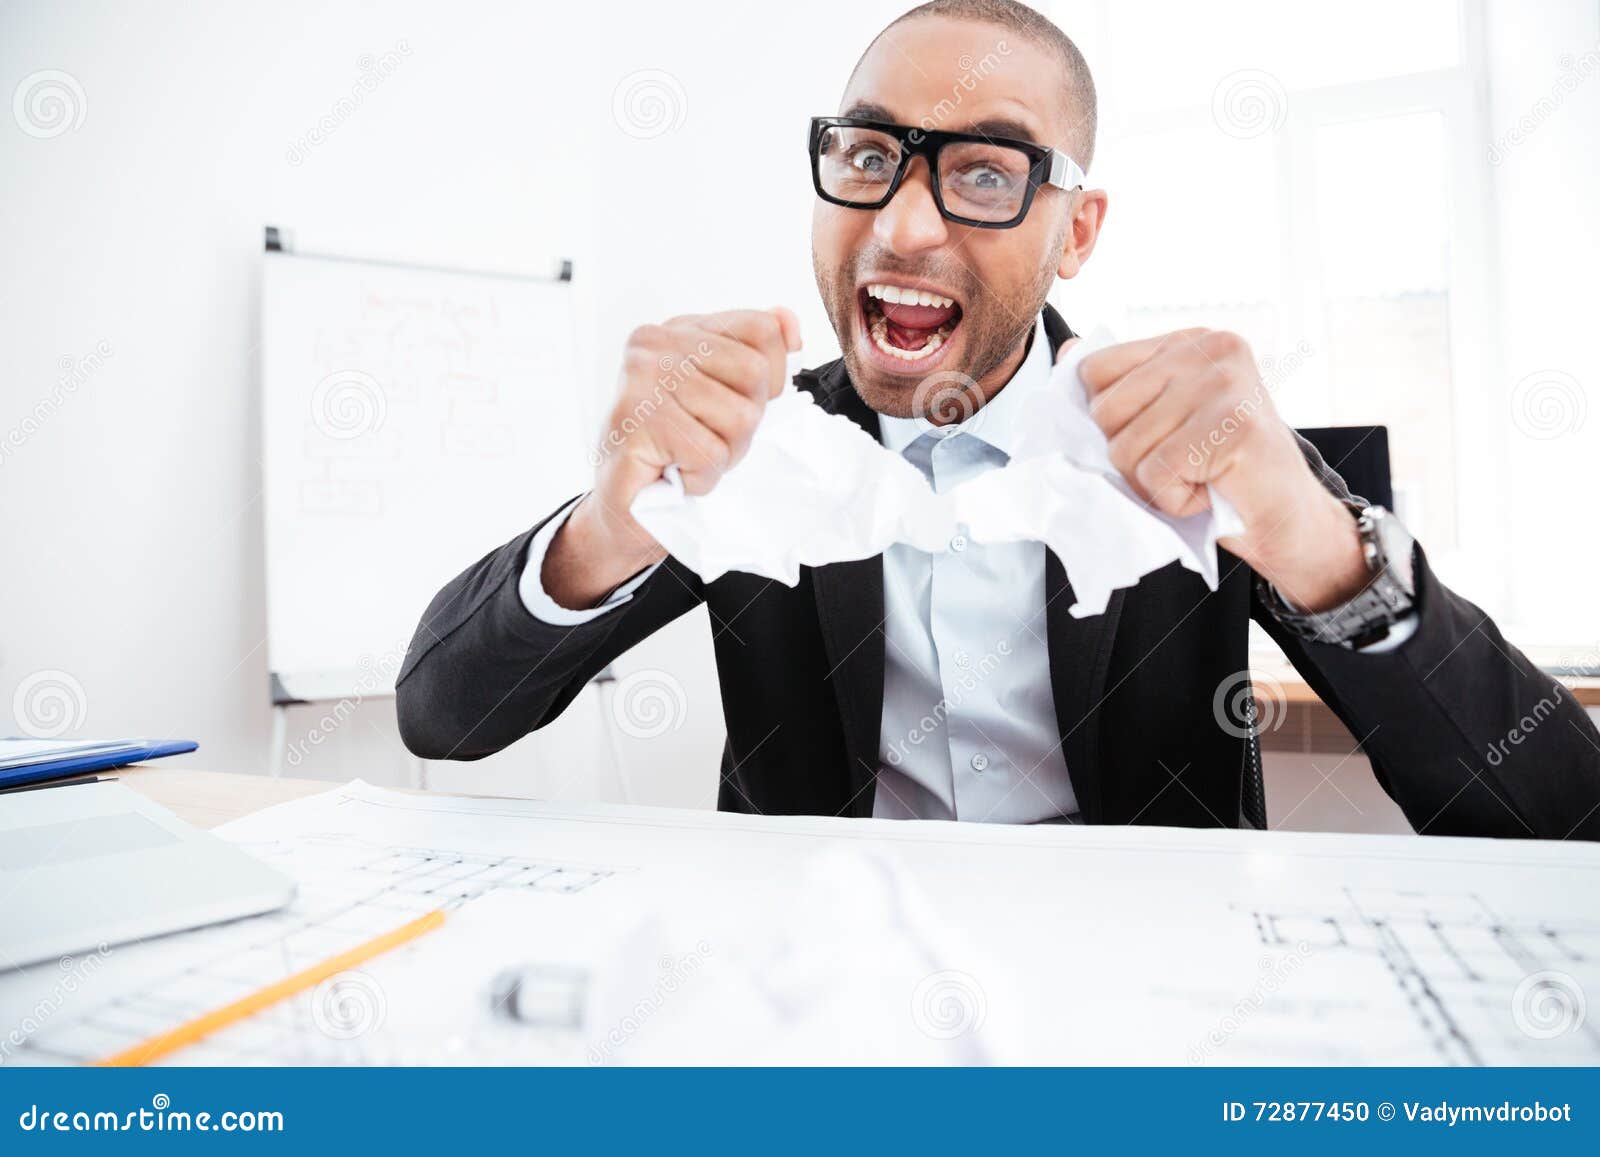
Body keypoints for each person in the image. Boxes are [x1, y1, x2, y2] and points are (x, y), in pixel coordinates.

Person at [396, 0, 1600, 838]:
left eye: (983, 171)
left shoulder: (1193, 447)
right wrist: (613, 517)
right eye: (868, 153)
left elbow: (1561, 810)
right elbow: (444, 718)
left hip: (1142, 1022)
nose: (903, 226)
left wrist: (1324, 550)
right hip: (819, 1015)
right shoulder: (758, 451)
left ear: (1075, 230)